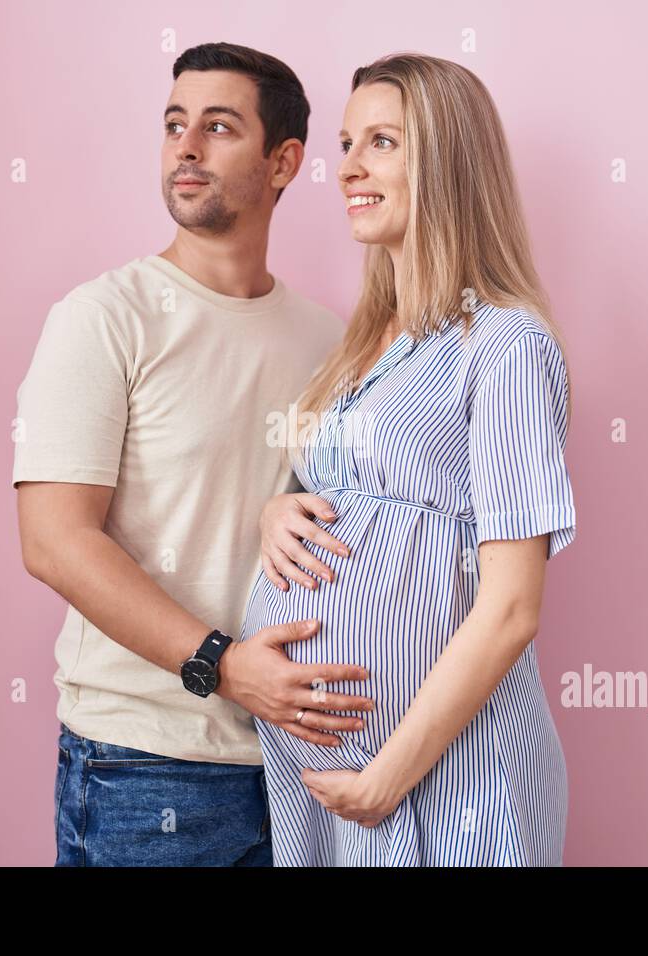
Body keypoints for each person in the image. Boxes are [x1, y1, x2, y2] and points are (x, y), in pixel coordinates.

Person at [12, 42, 374, 867]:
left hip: (301, 767)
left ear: (284, 162)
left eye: (218, 127)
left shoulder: (334, 341)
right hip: (143, 768)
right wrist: (222, 665)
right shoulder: (103, 318)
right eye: (176, 124)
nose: (186, 146)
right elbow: (53, 540)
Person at [240, 52, 578, 866]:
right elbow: (344, 496)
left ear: (448, 161)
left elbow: (510, 610)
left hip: (449, 782)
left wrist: (387, 776)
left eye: (381, 142)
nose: (347, 166)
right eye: (349, 142)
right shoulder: (361, 344)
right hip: (329, 790)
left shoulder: (503, 345)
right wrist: (276, 508)